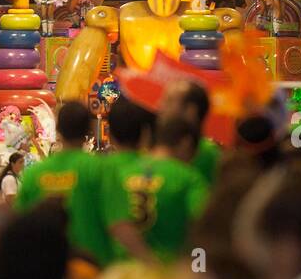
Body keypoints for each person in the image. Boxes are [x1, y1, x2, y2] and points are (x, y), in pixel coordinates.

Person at [102, 104, 207, 265]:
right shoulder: (189, 178)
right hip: (169, 274)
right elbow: (204, 230)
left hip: (122, 274)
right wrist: (199, 268)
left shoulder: (123, 173)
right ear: (186, 144)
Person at [15, 100, 112, 266]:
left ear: (58, 129)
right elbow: (116, 221)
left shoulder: (33, 174)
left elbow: (19, 225)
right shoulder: (100, 170)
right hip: (93, 268)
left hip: (46, 270)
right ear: (88, 130)